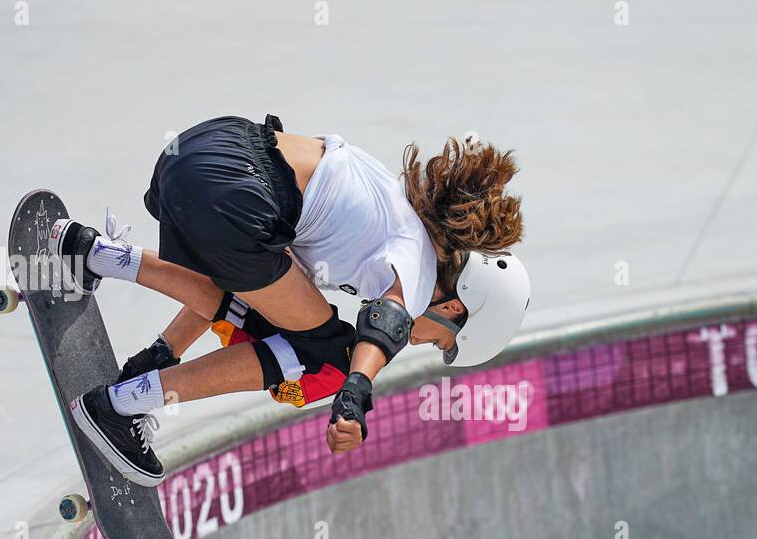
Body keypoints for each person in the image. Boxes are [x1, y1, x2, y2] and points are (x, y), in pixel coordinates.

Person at [50, 114, 530, 487]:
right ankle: (117, 407)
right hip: (239, 199)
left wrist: (163, 352)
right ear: (452, 308)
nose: (423, 344)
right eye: (439, 343)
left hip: (204, 154)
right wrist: (356, 391)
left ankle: (89, 252)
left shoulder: (383, 208)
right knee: (327, 358)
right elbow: (387, 322)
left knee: (269, 308)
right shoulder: (420, 268)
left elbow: (238, 285)